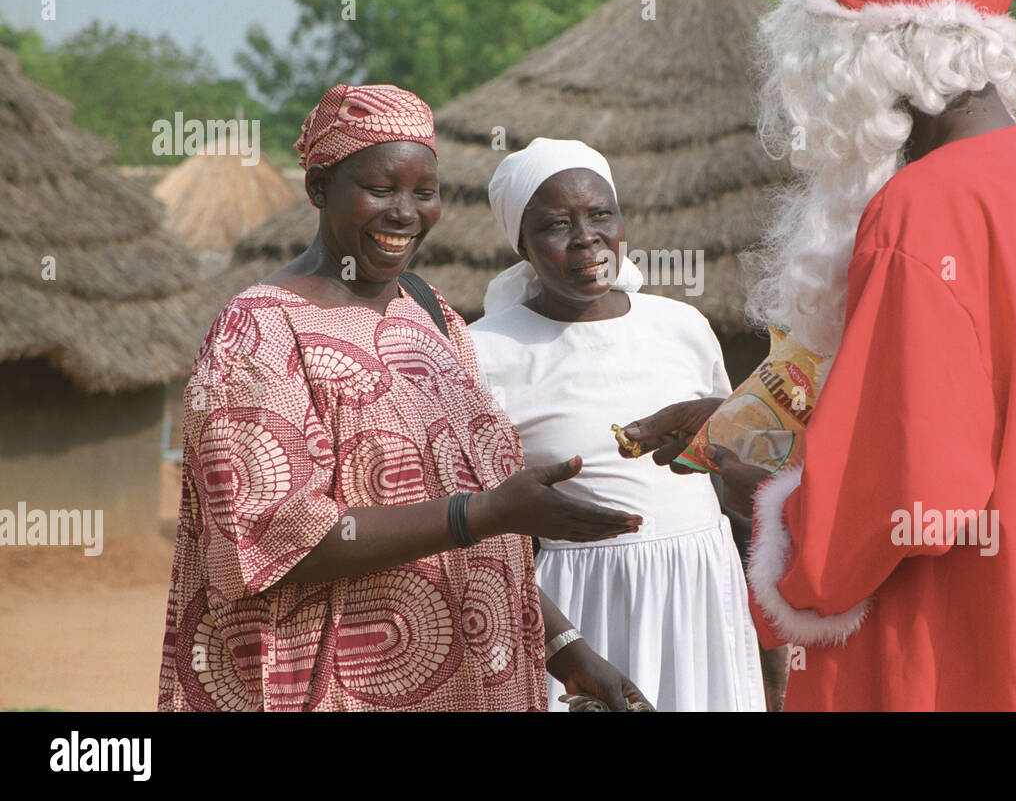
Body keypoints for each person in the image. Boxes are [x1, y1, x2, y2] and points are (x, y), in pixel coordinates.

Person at [624, 0, 1016, 710]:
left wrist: (771, 508)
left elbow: (917, 480)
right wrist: (734, 421)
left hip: (957, 633)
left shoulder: (921, 206)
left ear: (871, 59)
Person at [157, 85, 650, 711]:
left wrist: (574, 656)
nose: (406, 212)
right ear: (318, 190)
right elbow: (271, 538)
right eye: (381, 189)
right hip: (342, 686)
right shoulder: (259, 332)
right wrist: (482, 513)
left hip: (479, 683)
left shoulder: (430, 314)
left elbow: (489, 530)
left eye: (424, 191)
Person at [467, 138, 766, 712]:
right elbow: (484, 522)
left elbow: (734, 475)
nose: (585, 236)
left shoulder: (682, 325)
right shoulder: (486, 351)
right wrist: (567, 643)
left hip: (702, 586)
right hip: (581, 603)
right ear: (522, 246)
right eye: (556, 224)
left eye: (600, 214)